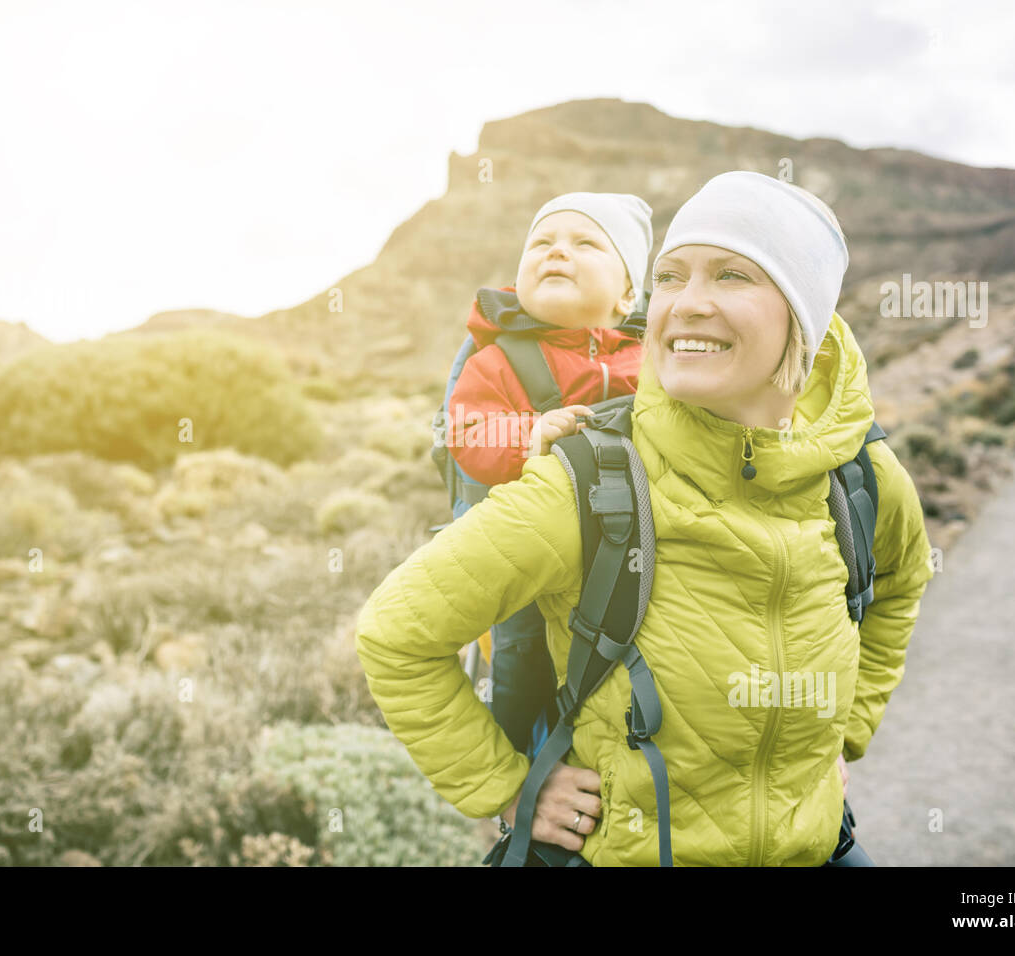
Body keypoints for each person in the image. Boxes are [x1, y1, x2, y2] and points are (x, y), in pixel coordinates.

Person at [356, 171, 935, 865]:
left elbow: (900, 583)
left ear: (803, 312)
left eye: (730, 275)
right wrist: (510, 788)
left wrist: (844, 731)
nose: (688, 304)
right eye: (672, 276)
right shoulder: (587, 481)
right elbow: (395, 634)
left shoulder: (859, 474)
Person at [443, 192, 652, 755]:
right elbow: (468, 433)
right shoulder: (499, 361)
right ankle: (522, 764)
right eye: (542, 242)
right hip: (531, 557)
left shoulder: (652, 363)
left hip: (630, 556)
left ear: (628, 293)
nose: (558, 252)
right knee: (522, 658)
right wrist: (530, 438)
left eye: (585, 243)